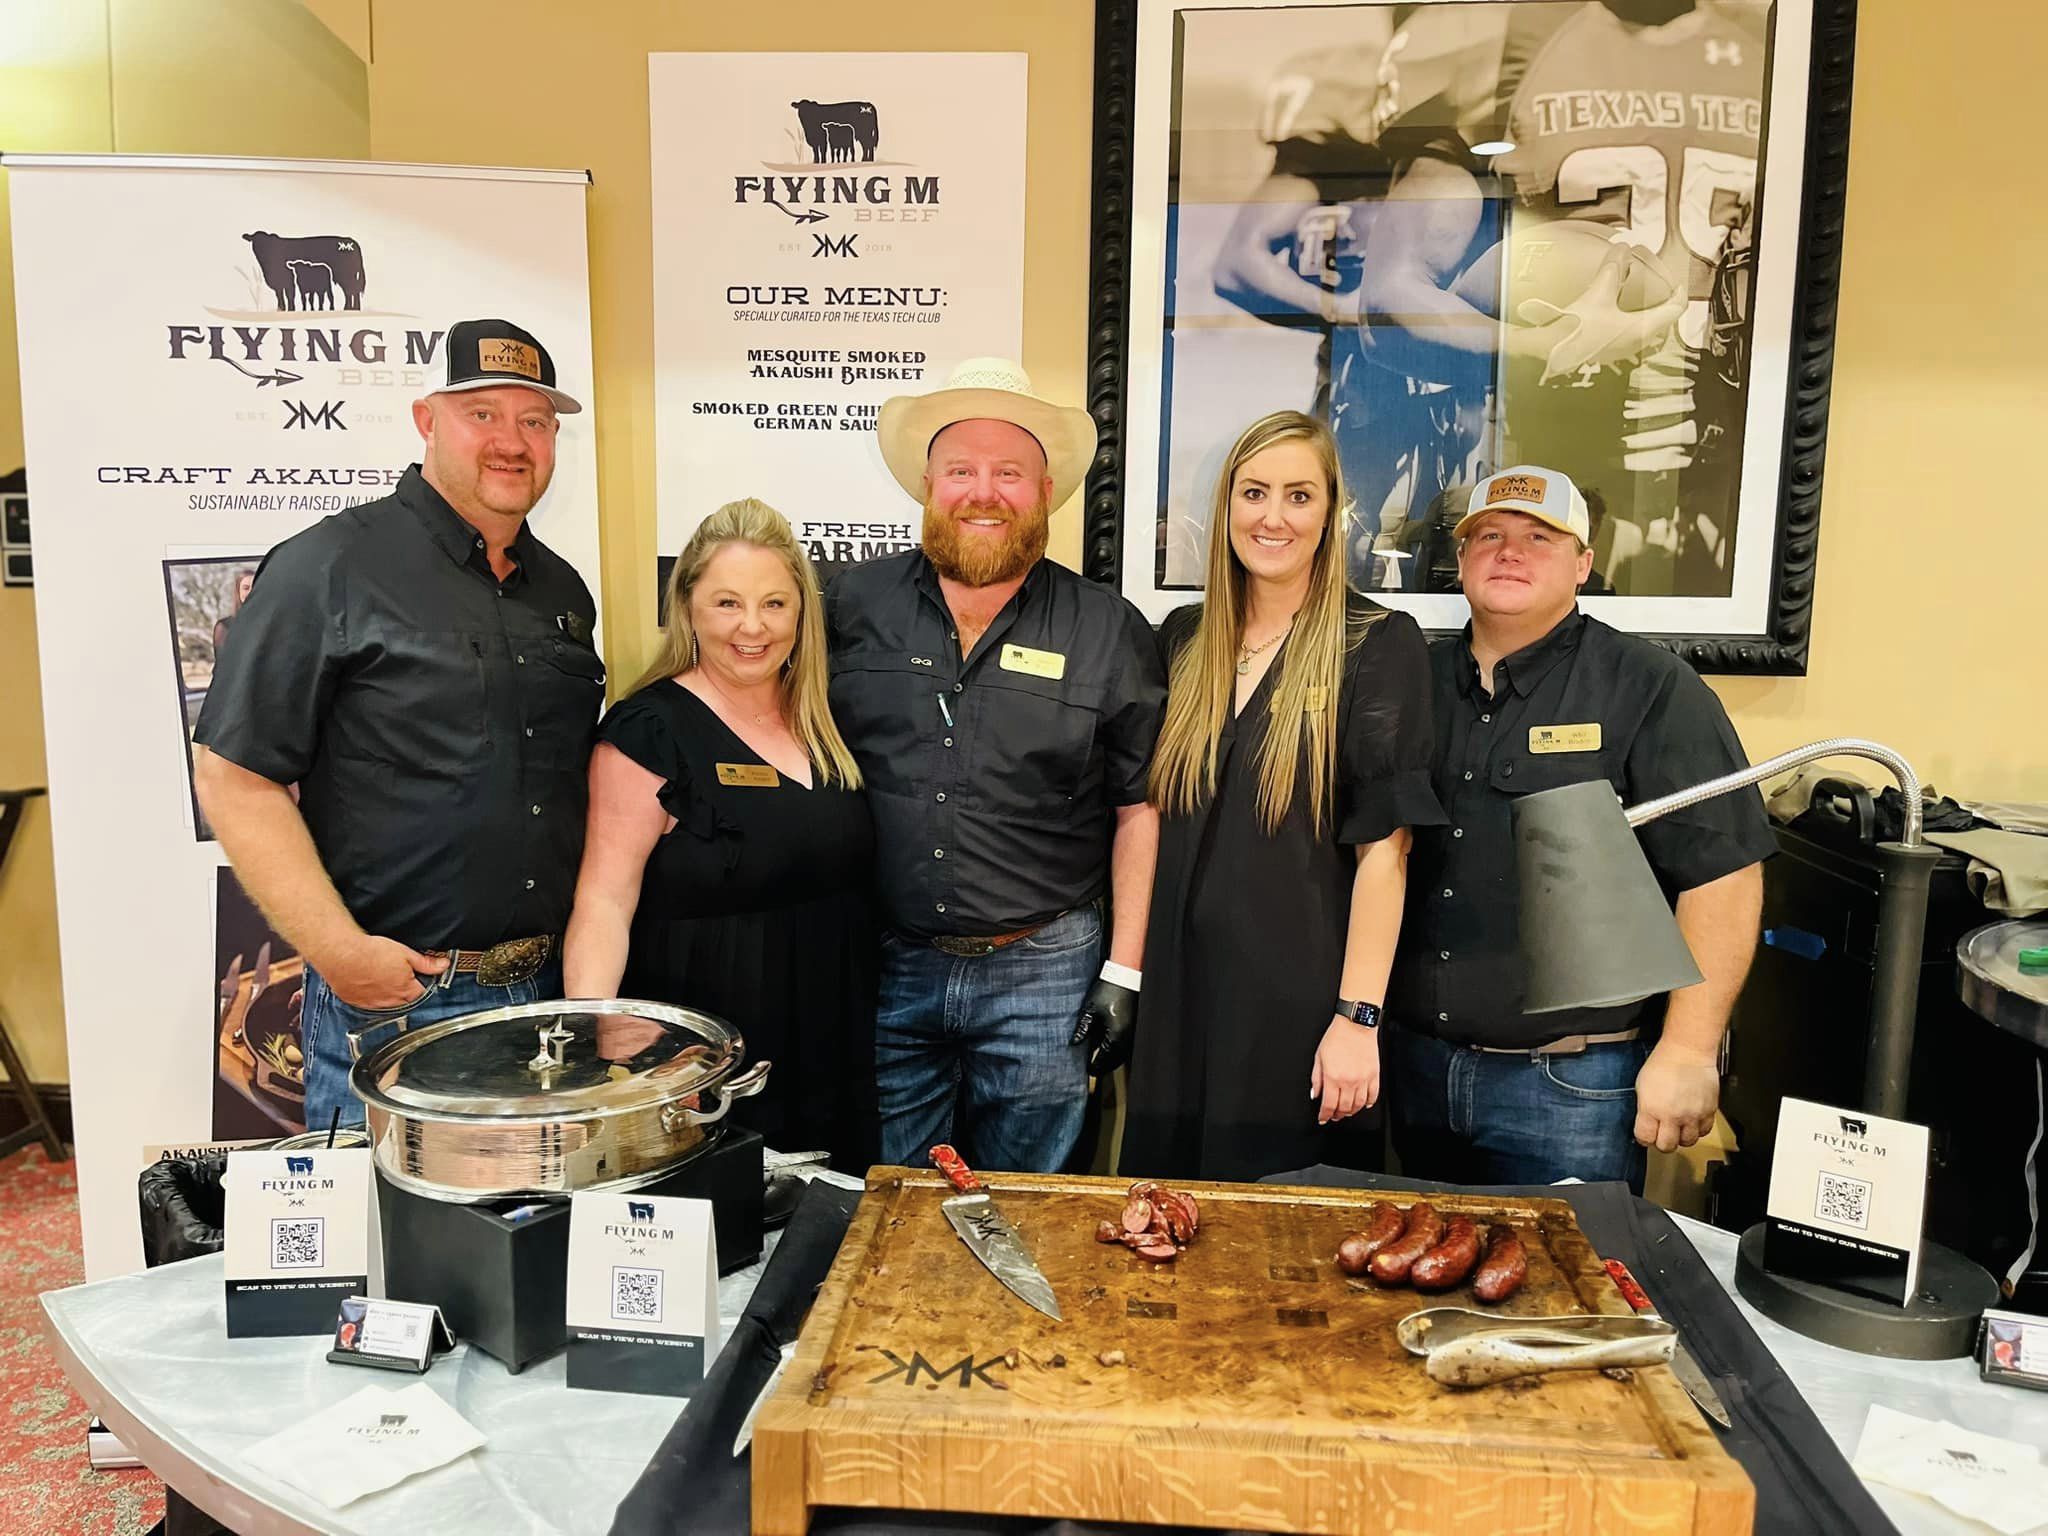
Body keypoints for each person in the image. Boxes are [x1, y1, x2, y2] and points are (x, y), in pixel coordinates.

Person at [193, 319, 601, 1131]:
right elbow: (234, 776)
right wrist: (343, 955)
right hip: (395, 1004)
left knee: (528, 1245)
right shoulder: (328, 566)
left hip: (541, 1003)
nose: (511, 442)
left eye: (534, 422)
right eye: (482, 414)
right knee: (390, 1251)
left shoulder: (560, 590)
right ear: (426, 420)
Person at [1386, 465, 1773, 1190]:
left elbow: (1722, 875)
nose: (1510, 552)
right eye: (1490, 535)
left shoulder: (1648, 686)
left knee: (1572, 1299)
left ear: (1583, 564)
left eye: (1541, 537)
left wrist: (1689, 1050)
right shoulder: (1412, 682)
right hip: (1414, 1070)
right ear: (1461, 559)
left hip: (1571, 1088)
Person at [827, 357, 1168, 1173]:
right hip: (885, 965)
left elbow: (1138, 807)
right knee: (886, 1204)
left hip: (1044, 973)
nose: (984, 492)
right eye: (961, 471)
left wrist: (1125, 970)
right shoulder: (844, 605)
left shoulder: (1107, 628)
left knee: (1028, 1211)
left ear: (1045, 491)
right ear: (926, 484)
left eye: (1009, 472)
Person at [1123, 411, 1442, 1181]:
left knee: (1279, 1254)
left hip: (1297, 1011)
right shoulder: (1182, 639)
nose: (1273, 516)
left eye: (1299, 496)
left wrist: (1357, 1019)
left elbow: (1385, 855)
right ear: (1226, 506)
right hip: (1177, 1002)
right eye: (1254, 492)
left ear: (1331, 514)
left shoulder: (1375, 643)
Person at [563, 499, 877, 1170]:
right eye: (728, 603)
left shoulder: (828, 722)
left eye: (774, 604)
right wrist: (601, 1023)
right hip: (704, 1048)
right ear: (688, 606)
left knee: (828, 1242)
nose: (753, 628)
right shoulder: (648, 731)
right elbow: (603, 899)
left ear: (802, 613)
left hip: (831, 1032)